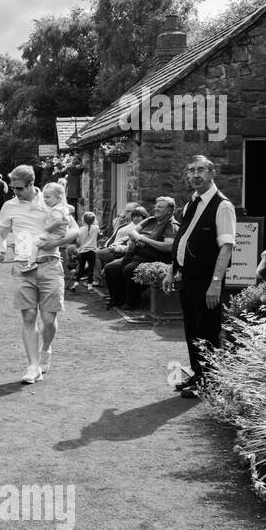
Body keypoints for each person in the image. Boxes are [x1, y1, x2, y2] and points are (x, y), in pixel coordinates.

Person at [0, 164, 79, 384]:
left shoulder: (50, 200)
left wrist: (57, 241)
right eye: (13, 188)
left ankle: (46, 349)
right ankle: (32, 366)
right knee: (29, 316)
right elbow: (1, 234)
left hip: (50, 264)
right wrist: (1, 248)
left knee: (49, 319)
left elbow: (75, 229)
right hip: (23, 267)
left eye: (20, 188)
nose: (15, 192)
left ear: (32, 184)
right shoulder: (9, 206)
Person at [163, 156, 237, 399]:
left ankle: (209, 381)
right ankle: (198, 374)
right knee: (192, 329)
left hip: (207, 280)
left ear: (212, 172)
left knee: (208, 329)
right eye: (191, 171)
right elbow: (182, 240)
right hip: (188, 277)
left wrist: (215, 284)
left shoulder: (222, 205)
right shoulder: (191, 203)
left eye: (201, 170)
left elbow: (226, 247)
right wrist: (171, 270)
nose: (196, 175)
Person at [102, 196, 178, 309]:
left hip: (153, 259)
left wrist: (145, 240)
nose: (156, 208)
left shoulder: (171, 225)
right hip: (134, 256)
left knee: (129, 270)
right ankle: (117, 300)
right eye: (156, 206)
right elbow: (132, 231)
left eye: (160, 207)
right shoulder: (150, 220)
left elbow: (168, 247)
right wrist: (138, 238)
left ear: (169, 211)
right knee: (111, 268)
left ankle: (133, 302)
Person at [94, 206, 148, 287]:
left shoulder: (141, 229)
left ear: (144, 217)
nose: (136, 219)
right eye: (134, 216)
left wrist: (116, 248)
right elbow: (123, 240)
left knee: (97, 256)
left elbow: (131, 247)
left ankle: (98, 279)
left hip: (123, 253)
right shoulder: (132, 227)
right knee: (94, 252)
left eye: (138, 216)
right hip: (116, 249)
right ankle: (99, 278)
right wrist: (113, 245)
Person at [67, 212, 99, 291]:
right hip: (92, 251)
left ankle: (75, 285)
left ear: (83, 220)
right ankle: (90, 286)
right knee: (91, 269)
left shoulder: (81, 229)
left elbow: (79, 241)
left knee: (81, 268)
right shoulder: (96, 228)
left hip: (83, 251)